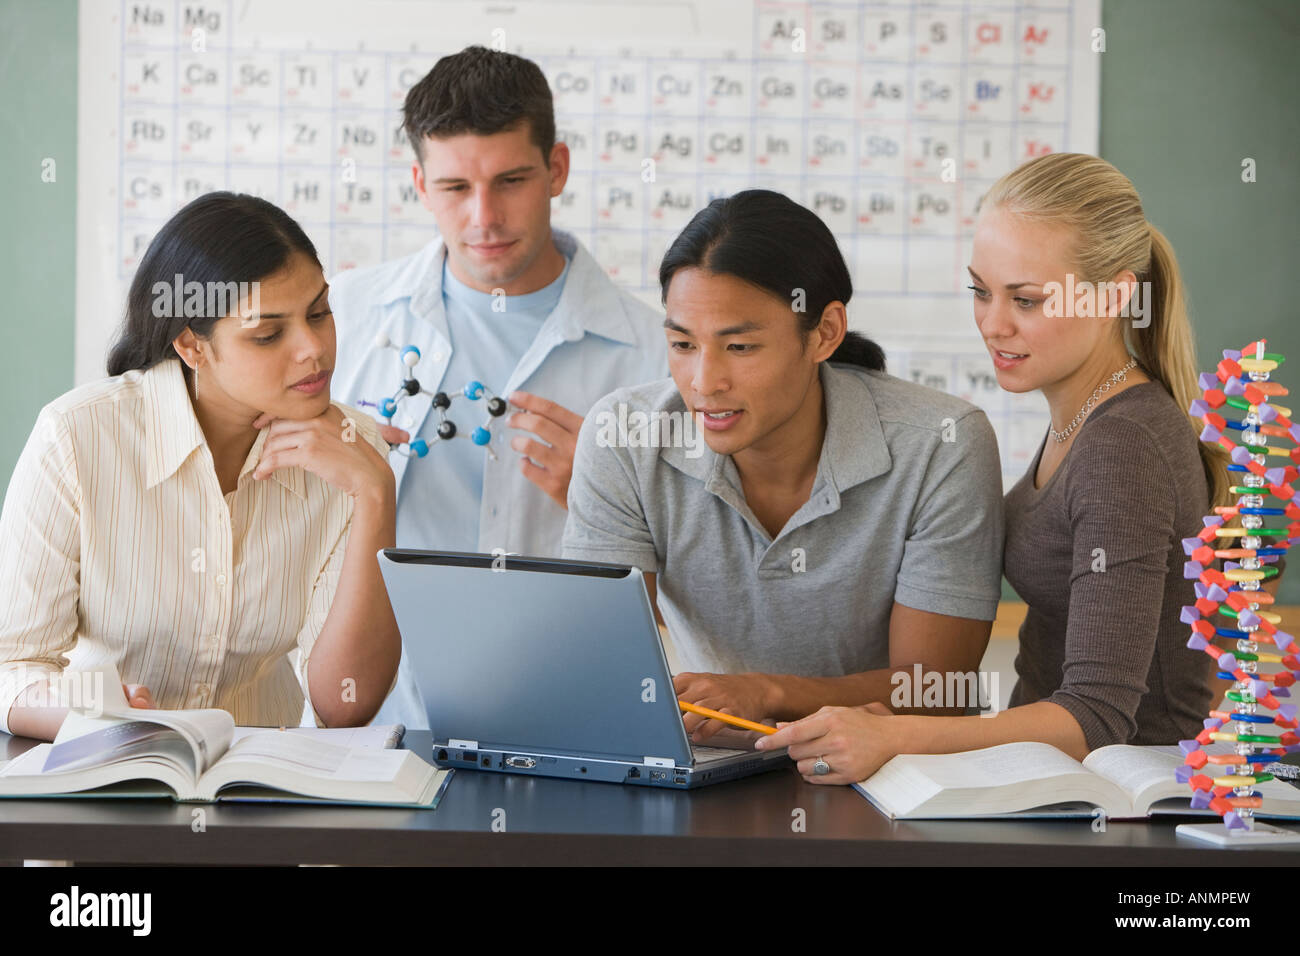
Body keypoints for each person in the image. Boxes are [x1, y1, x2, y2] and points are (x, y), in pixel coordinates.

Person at [758, 153, 1227, 782]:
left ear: (1115, 294)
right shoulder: (1085, 414)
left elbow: (1095, 716)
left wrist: (897, 736)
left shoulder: (1123, 444)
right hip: (1055, 788)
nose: (993, 324)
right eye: (981, 291)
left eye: (1027, 301)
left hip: (1124, 811)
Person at [562, 189, 1006, 743]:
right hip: (715, 759)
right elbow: (598, 666)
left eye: (740, 347)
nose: (704, 382)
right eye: (681, 343)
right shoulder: (624, 435)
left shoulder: (941, 443)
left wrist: (766, 693)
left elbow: (937, 692)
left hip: (893, 775)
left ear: (824, 333)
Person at [328, 46, 666, 728]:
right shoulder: (339, 320)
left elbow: (707, 584)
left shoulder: (659, 354)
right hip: (371, 719)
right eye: (455, 188)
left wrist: (605, 501)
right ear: (420, 184)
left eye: (510, 181)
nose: (484, 216)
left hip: (573, 714)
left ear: (557, 170)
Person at [0, 193, 401, 742]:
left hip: (257, 795)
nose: (314, 349)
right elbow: (12, 665)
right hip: (101, 778)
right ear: (192, 345)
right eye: (268, 334)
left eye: (319, 313)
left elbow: (344, 706)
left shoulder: (353, 452)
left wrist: (377, 494)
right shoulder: (76, 437)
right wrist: (92, 711)